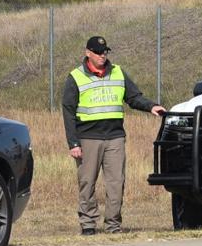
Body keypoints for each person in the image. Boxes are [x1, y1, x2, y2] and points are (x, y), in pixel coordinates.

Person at [60, 35, 165, 235]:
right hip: (88, 138)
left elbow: (134, 97)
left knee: (116, 182)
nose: (102, 56)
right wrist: (73, 143)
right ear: (87, 53)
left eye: (105, 52)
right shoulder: (75, 77)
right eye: (98, 53)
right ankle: (88, 224)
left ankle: (113, 225)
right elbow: (68, 111)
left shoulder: (118, 73)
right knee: (87, 182)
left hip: (115, 137)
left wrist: (151, 106)